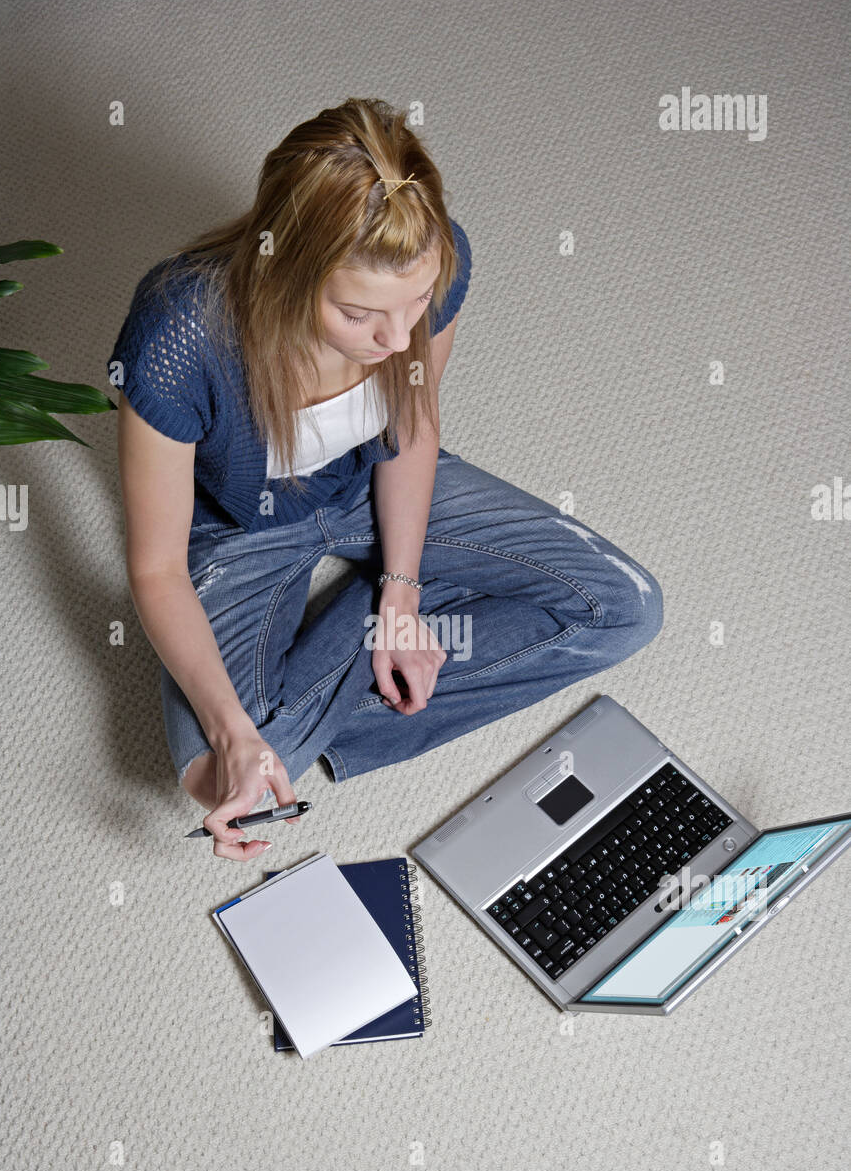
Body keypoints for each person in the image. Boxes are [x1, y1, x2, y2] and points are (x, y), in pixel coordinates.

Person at [109, 96, 663, 863]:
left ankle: (373, 624)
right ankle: (351, 658)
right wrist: (234, 735)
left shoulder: (437, 262)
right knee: (235, 774)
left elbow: (414, 427)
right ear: (285, 270)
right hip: (239, 530)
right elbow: (156, 568)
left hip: (371, 484)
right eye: (359, 313)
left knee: (628, 610)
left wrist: (401, 595)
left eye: (416, 306)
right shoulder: (177, 336)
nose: (399, 340)